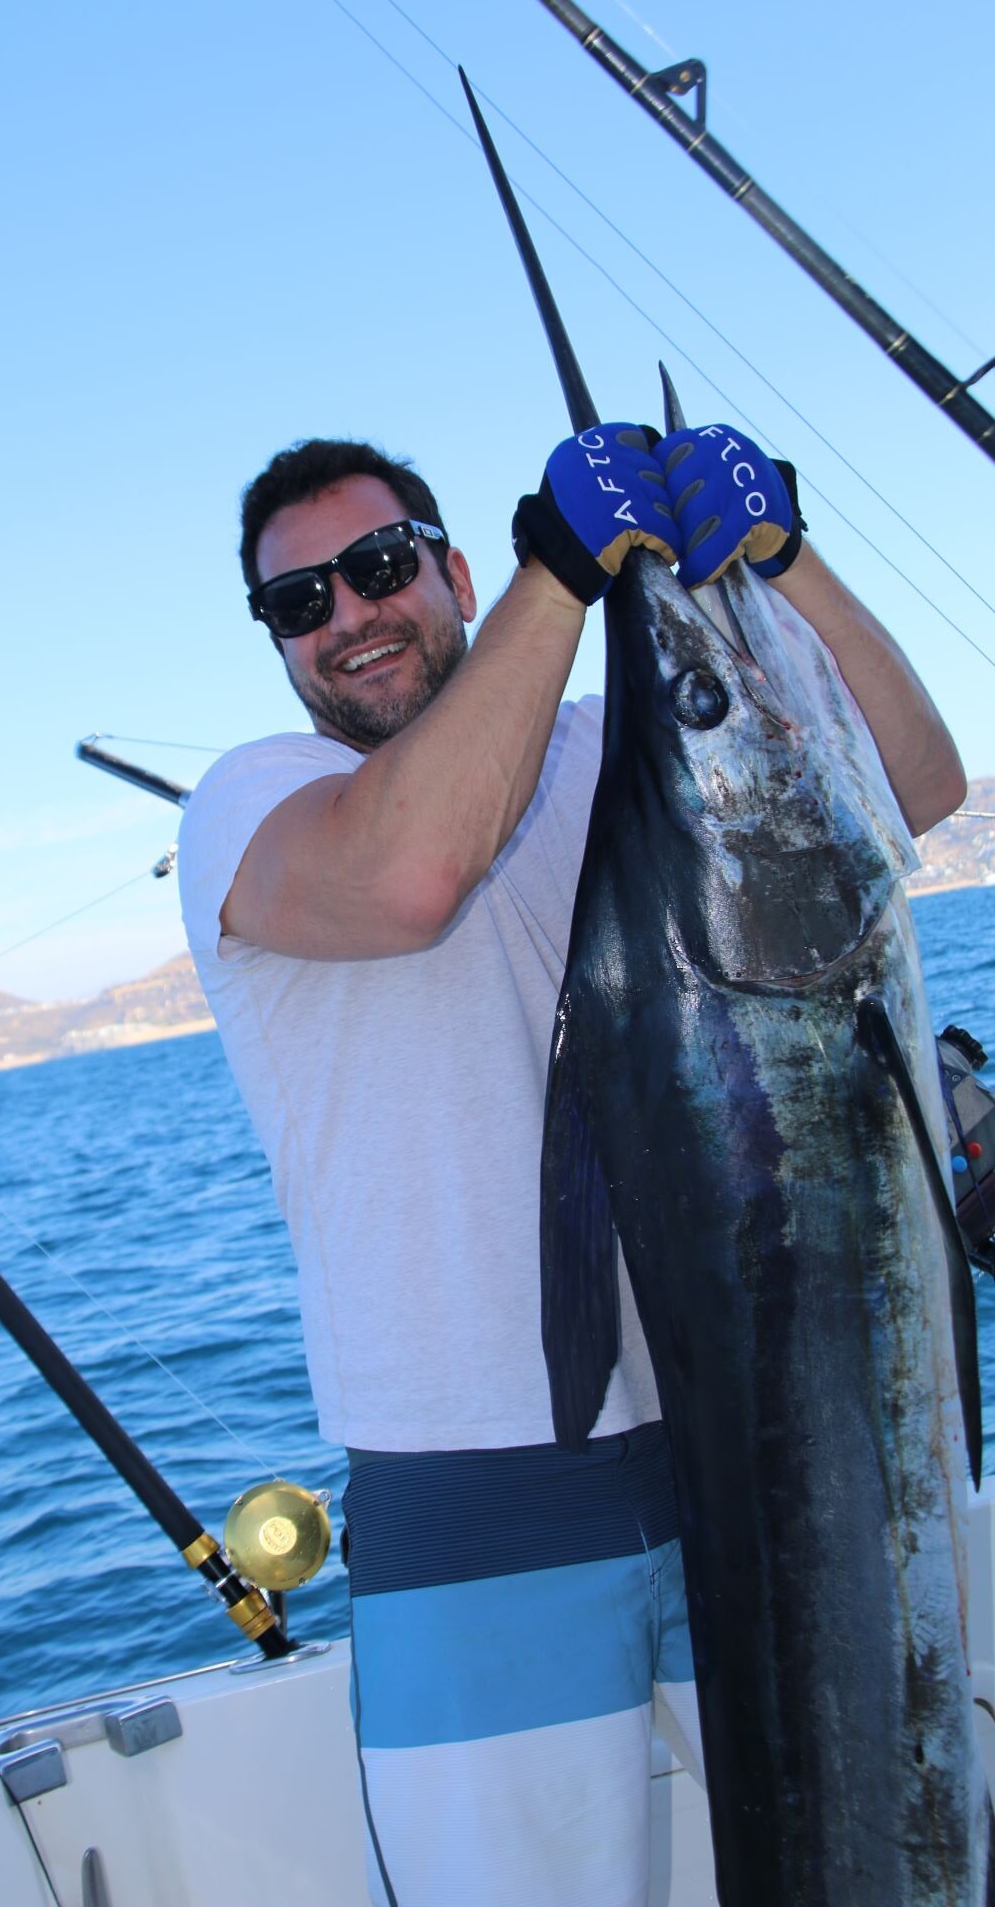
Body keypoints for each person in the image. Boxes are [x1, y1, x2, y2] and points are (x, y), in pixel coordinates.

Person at [177, 423, 965, 1907]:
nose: (350, 615)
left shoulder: (622, 748)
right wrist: (564, 571)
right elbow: (411, 877)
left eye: (381, 565)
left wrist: (787, 563)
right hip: (485, 1509)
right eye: (303, 602)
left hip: (750, 1448)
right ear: (277, 643)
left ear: (449, 566)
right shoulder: (253, 802)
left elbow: (914, 792)